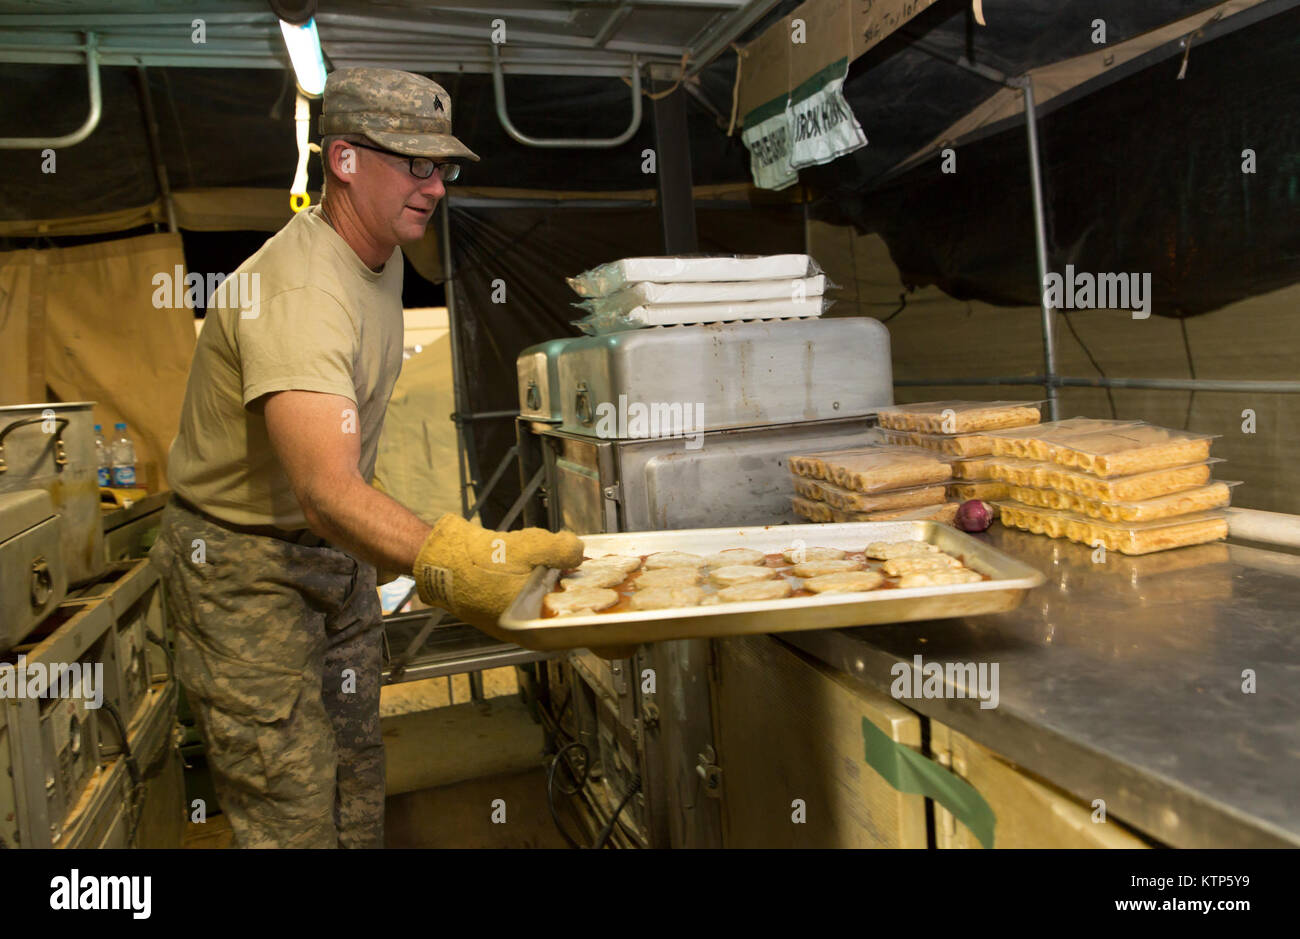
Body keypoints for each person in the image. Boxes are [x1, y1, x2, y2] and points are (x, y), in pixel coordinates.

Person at [148, 68, 583, 849]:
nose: (436, 186)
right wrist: (461, 563)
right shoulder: (299, 292)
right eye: (415, 164)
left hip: (329, 555)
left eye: (442, 167)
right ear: (343, 160)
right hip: (247, 567)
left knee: (355, 779)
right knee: (293, 804)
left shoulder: (380, 258)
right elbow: (323, 489)